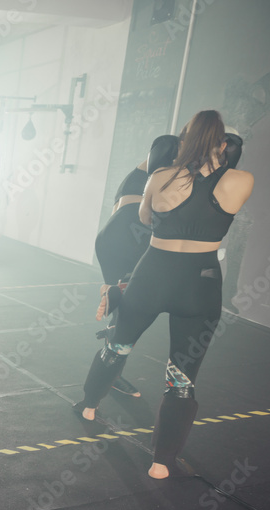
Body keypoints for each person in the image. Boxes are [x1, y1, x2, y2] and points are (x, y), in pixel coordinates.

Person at [73, 110, 254, 480]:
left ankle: (89, 406)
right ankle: (161, 462)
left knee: (118, 345)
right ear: (223, 145)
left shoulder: (159, 177)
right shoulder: (240, 180)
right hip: (200, 283)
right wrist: (219, 160)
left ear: (183, 141)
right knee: (181, 379)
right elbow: (223, 194)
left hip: (153, 273)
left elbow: (143, 218)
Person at [92, 134, 180, 398]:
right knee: (124, 309)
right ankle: (109, 375)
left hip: (113, 239)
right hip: (125, 241)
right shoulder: (165, 162)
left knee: (120, 306)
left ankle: (109, 369)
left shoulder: (140, 175)